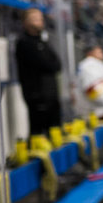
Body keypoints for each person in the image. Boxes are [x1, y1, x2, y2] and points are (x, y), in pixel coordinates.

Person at [14, 7, 63, 136]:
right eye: (35, 19)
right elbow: (47, 65)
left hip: (51, 94)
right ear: (25, 22)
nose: (40, 22)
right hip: (37, 96)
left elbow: (57, 64)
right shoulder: (24, 43)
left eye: (40, 19)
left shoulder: (43, 41)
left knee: (55, 131)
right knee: (38, 133)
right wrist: (50, 64)